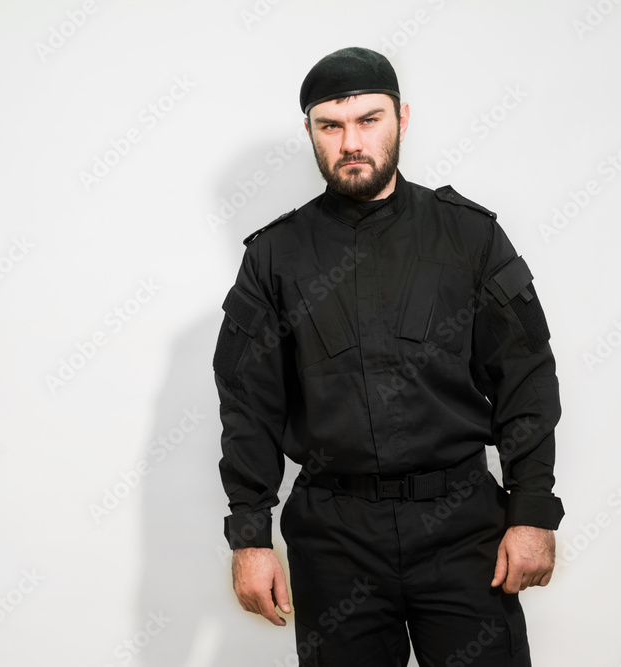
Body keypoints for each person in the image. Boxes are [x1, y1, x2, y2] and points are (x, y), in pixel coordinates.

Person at [212, 47, 564, 667]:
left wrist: (532, 511)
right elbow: (248, 404)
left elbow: (526, 376)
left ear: (401, 118)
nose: (351, 142)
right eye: (331, 125)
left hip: (462, 529)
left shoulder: (471, 236)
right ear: (309, 131)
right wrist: (250, 537)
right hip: (334, 539)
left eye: (368, 120)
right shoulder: (273, 257)